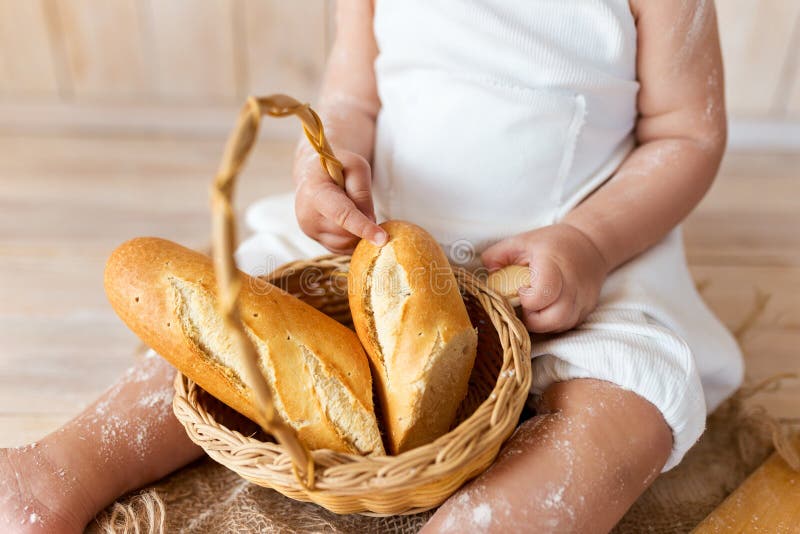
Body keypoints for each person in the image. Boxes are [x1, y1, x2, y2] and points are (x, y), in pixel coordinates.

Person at [1, 1, 742, 532]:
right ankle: (61, 469)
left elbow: (686, 136)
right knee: (227, 334)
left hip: (577, 263)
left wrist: (591, 242)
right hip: (379, 255)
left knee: (627, 416)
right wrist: (325, 169)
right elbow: (353, 97)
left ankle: (495, 519)